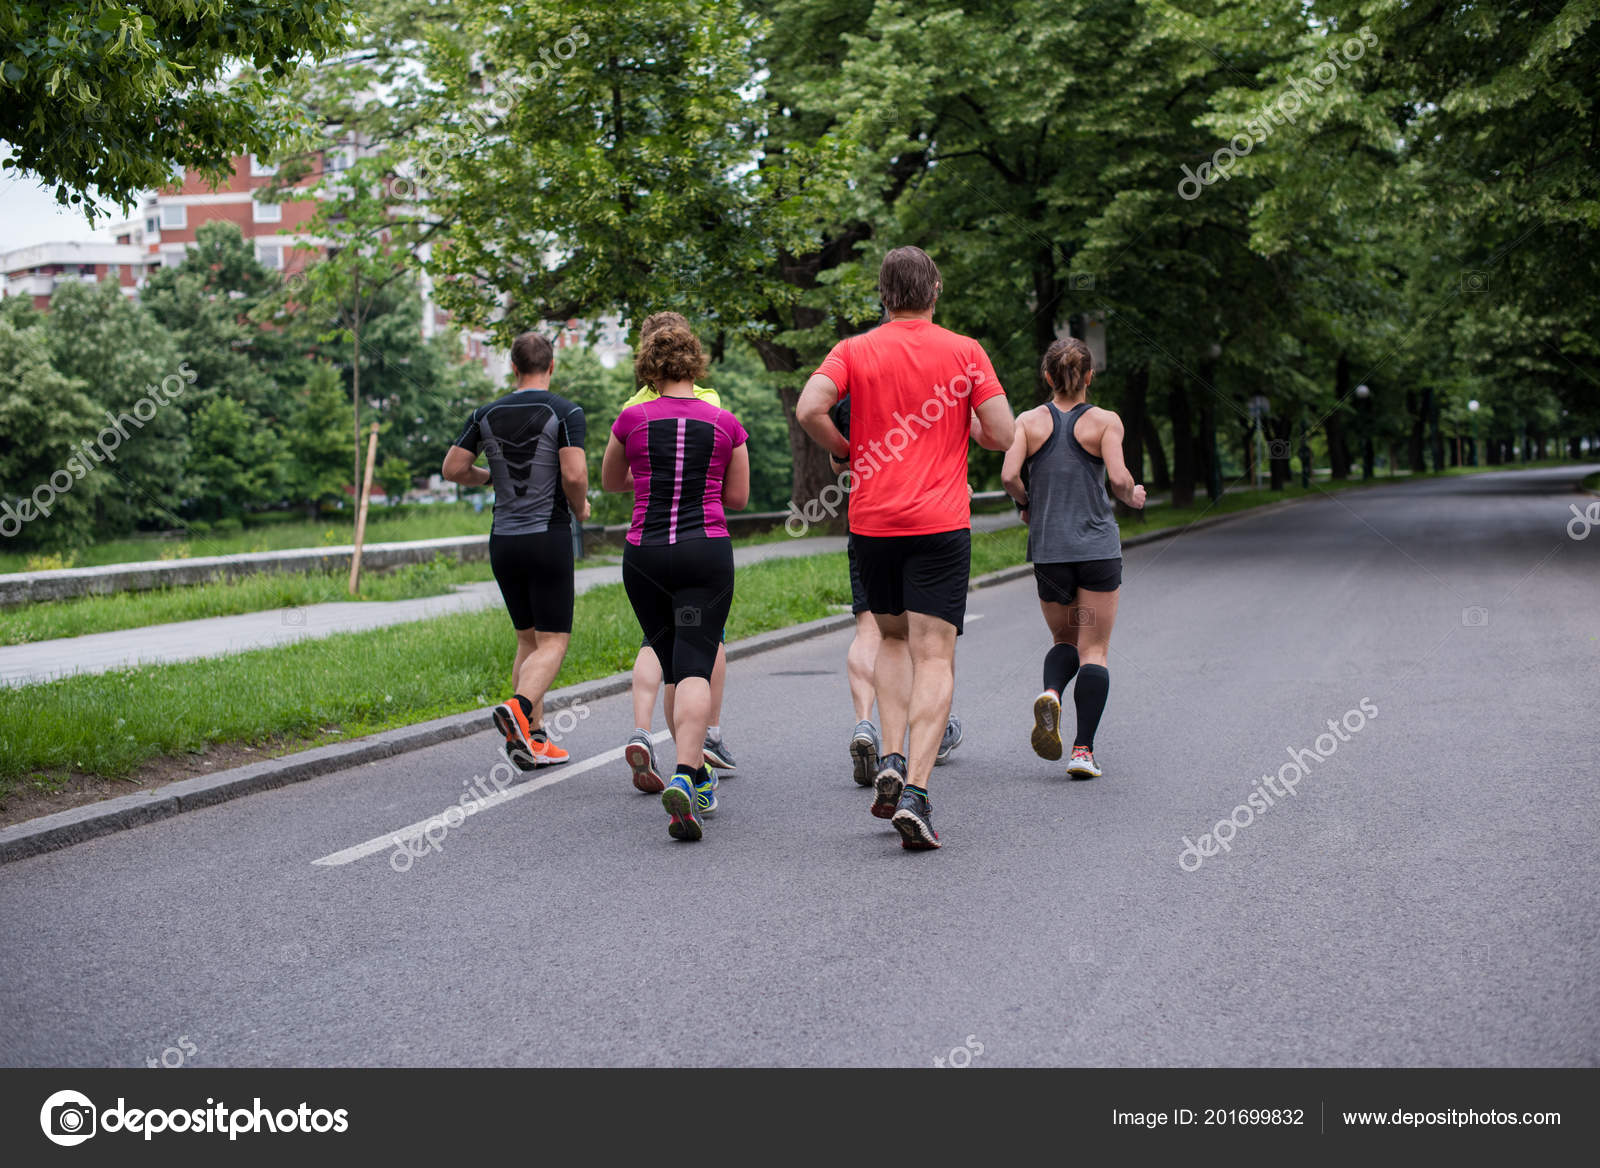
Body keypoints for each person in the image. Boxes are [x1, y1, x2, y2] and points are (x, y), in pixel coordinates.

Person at [798, 245, 1014, 850]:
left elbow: (808, 407)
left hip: (873, 523)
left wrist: (844, 447)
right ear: (935, 291)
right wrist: (962, 423)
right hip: (941, 523)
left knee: (890, 639)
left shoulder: (853, 350)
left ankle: (890, 756)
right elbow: (1002, 432)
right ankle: (915, 790)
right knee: (935, 654)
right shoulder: (966, 351)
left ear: (883, 295)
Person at [602, 323, 750, 842]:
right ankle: (690, 775)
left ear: (648, 366)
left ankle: (695, 773)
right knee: (695, 667)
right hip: (703, 555)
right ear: (696, 364)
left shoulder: (631, 420)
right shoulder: (726, 423)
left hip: (645, 558)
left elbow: (611, 481)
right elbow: (738, 499)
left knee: (669, 662)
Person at [443, 331, 590, 771]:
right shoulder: (565, 411)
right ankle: (521, 707)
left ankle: (535, 740)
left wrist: (489, 478)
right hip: (547, 538)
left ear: (513, 367)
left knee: (528, 639)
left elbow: (453, 469)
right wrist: (580, 507)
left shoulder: (484, 414)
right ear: (552, 365)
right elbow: (576, 473)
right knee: (555, 642)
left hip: (503, 541)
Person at [1001, 337, 1144, 778]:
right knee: (1094, 648)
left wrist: (1026, 503)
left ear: (1047, 377)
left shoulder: (1027, 422)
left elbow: (1009, 475)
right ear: (1088, 376)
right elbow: (1119, 480)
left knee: (1065, 641)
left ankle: (1052, 693)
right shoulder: (1104, 422)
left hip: (1050, 550)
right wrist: (1134, 496)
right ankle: (1083, 751)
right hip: (1097, 549)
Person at [830, 396, 964, 786]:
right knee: (934, 644)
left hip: (870, 523)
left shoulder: (851, 398)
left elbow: (838, 461)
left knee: (873, 631)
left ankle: (866, 724)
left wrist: (846, 450)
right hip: (930, 522)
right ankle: (932, 736)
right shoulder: (927, 393)